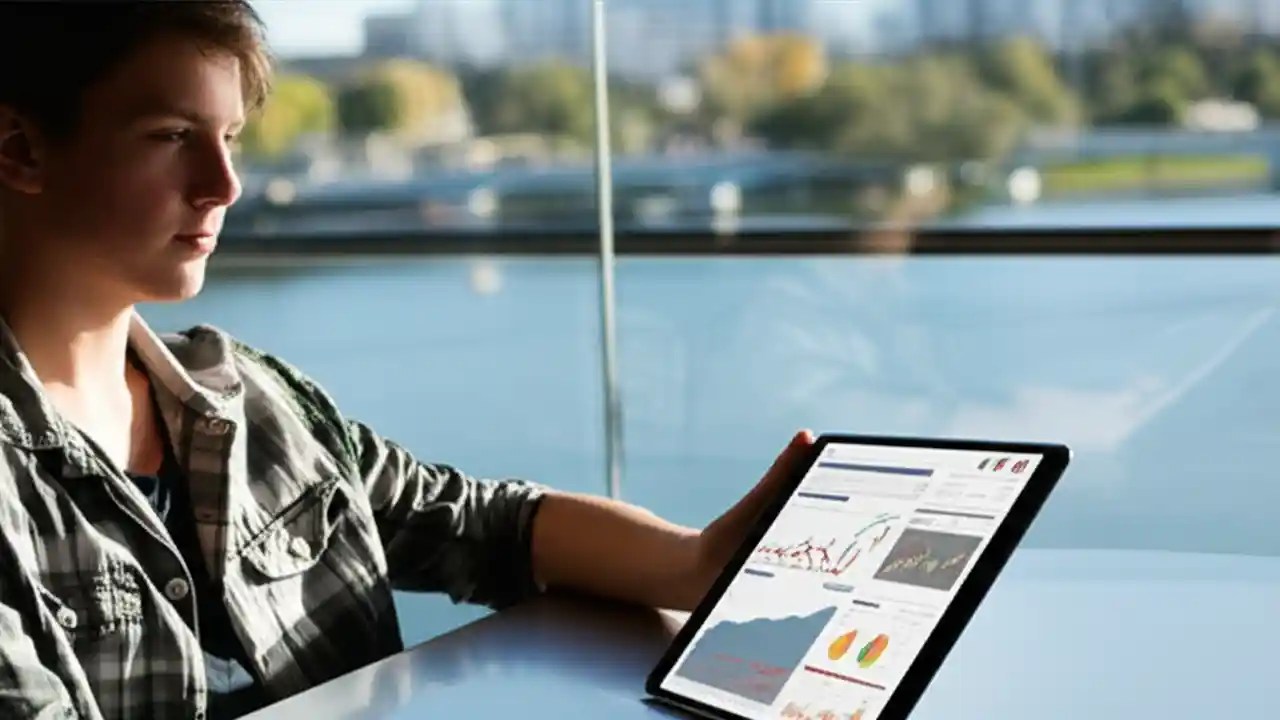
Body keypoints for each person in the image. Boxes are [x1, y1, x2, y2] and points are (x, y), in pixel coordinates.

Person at [0, 3, 814, 719]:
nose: (225, 184)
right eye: (173, 137)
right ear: (20, 151)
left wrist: (694, 562)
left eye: (230, 138)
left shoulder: (253, 400)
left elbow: (480, 525)